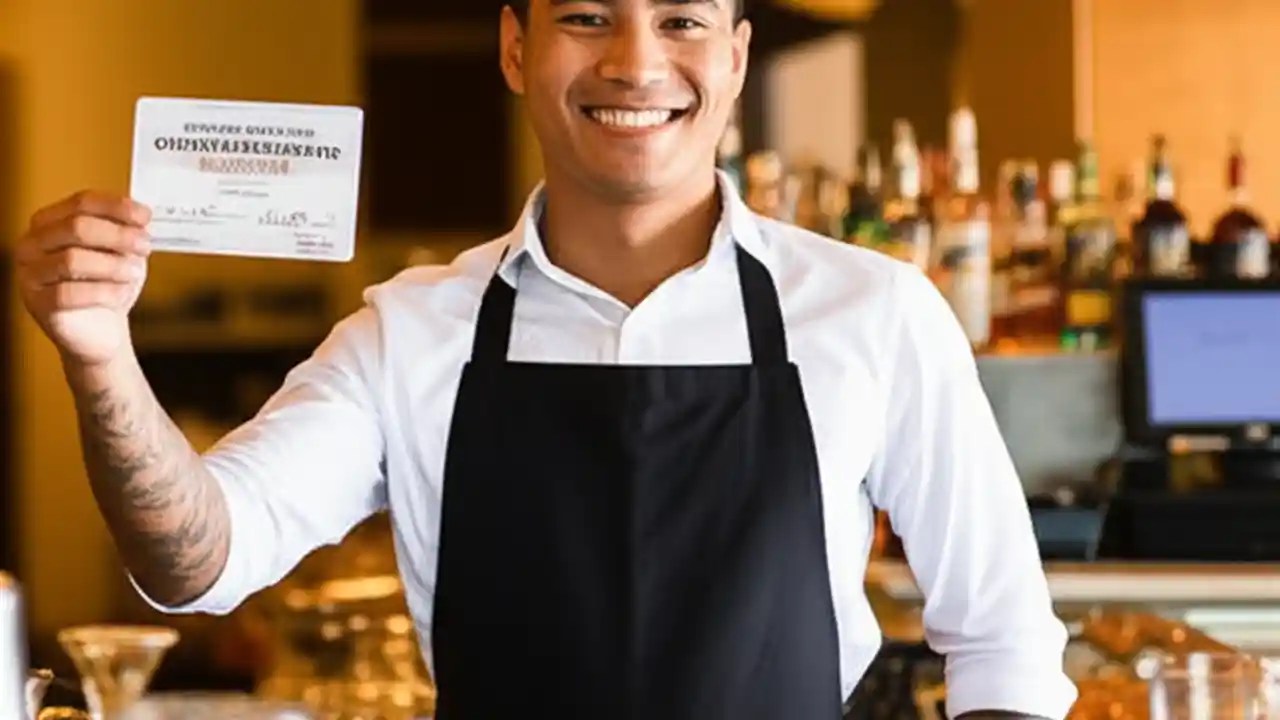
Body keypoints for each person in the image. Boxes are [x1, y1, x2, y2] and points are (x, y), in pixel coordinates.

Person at [15, 0, 1077, 717]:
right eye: (586, 17)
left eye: (680, 20)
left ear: (736, 57)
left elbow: (1004, 641)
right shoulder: (411, 332)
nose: (635, 63)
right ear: (516, 48)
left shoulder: (875, 313)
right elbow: (198, 563)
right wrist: (102, 359)